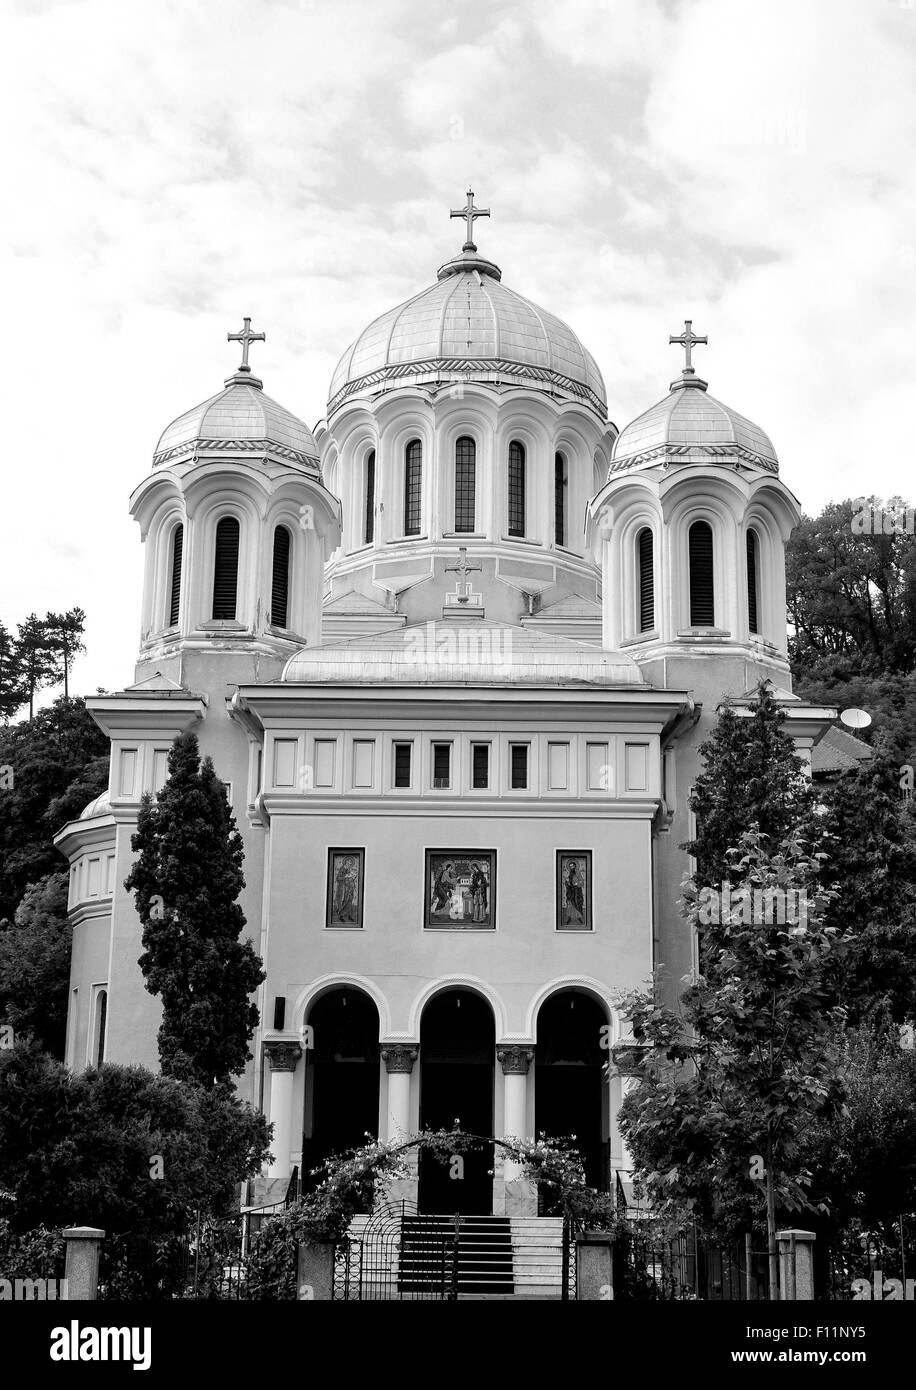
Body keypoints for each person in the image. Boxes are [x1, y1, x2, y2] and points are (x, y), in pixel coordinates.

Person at [565, 859, 584, 924]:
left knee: (576, 904)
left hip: (577, 892)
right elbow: (569, 884)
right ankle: (569, 918)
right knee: (570, 904)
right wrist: (567, 882)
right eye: (570, 866)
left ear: (575, 866)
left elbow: (582, 882)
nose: (571, 867)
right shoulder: (570, 874)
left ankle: (579, 918)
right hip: (571, 892)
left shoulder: (578, 873)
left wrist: (577, 883)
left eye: (572, 866)